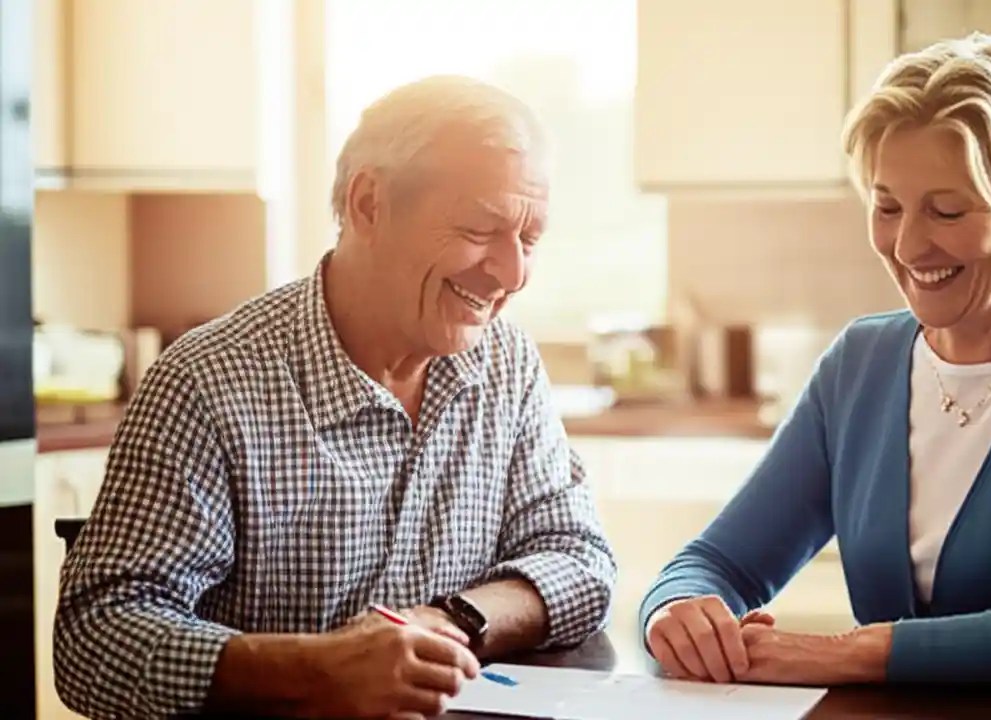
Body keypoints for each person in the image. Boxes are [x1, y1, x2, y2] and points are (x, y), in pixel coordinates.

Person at [642, 34, 991, 686]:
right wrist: (677, 609)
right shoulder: (860, 364)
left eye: (947, 210)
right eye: (886, 207)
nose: (908, 245)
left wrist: (845, 654)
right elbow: (718, 562)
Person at [54, 76, 617, 719]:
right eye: (479, 228)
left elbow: (580, 561)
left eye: (530, 238)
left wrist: (449, 622)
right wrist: (317, 668)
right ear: (369, 204)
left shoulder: (507, 365)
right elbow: (94, 641)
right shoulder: (208, 382)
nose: (512, 273)